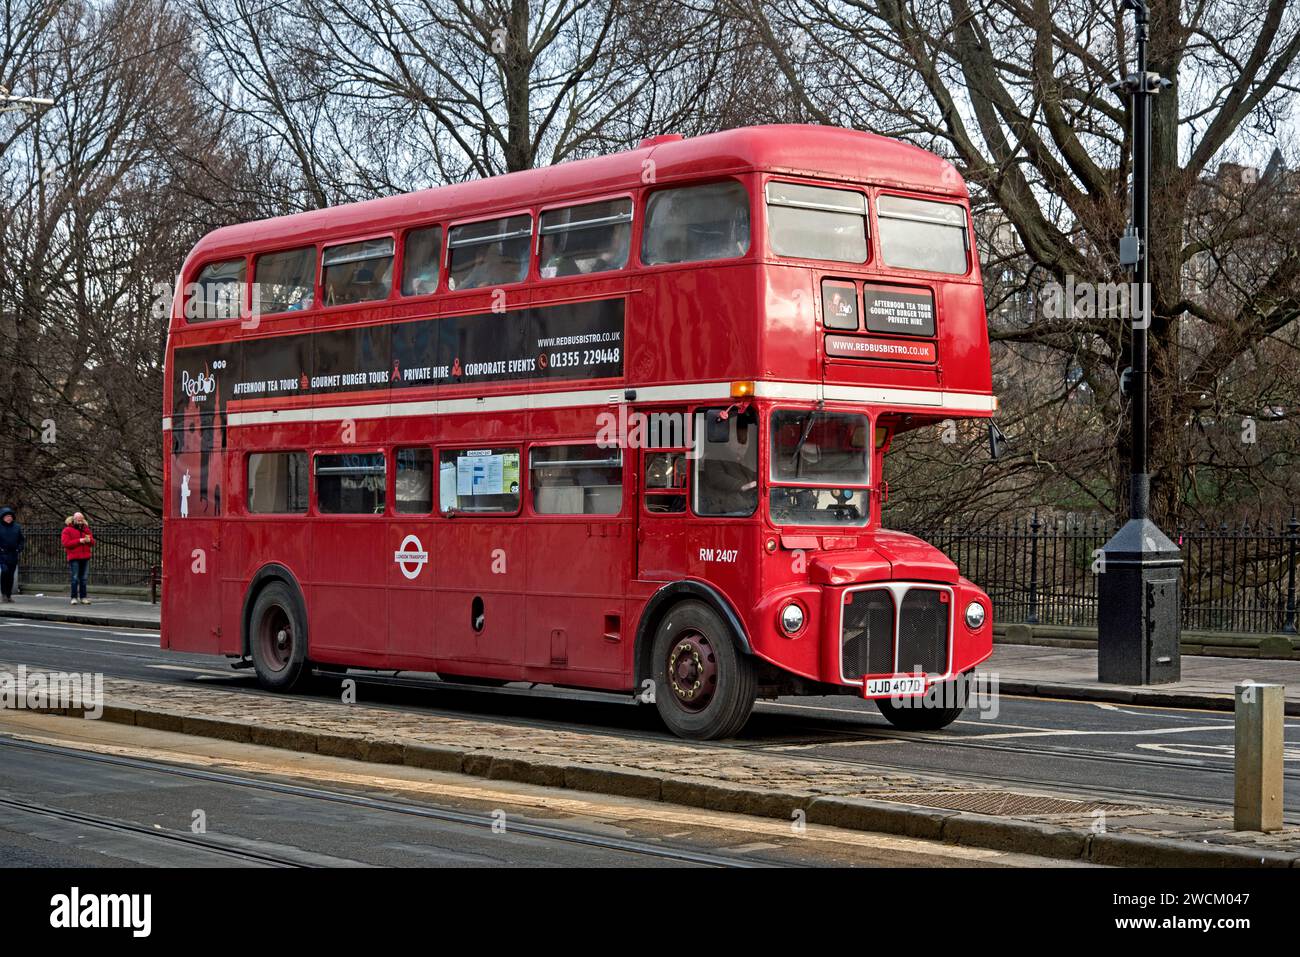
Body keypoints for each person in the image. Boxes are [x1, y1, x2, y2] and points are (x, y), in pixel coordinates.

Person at [61, 512, 95, 605]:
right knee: (75, 578)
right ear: (74, 520)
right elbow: (66, 544)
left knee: (84, 578)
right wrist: (79, 541)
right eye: (78, 520)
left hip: (85, 557)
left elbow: (92, 542)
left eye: (81, 520)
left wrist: (89, 540)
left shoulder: (86, 529)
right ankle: (74, 597)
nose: (80, 522)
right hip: (74, 557)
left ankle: (83, 597)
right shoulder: (67, 530)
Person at [0, 507, 24, 603]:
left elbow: (21, 540)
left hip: (13, 554)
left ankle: (9, 595)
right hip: (2, 554)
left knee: (10, 575)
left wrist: (19, 548)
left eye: (10, 516)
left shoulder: (16, 527)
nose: (9, 518)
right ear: (2, 517)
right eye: (7, 516)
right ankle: (4, 594)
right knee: (5, 572)